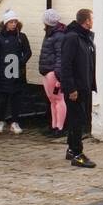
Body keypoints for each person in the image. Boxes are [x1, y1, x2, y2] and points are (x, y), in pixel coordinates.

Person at [60, 9, 97, 167]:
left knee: (78, 118)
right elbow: (66, 65)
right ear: (86, 21)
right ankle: (77, 153)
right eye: (91, 18)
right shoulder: (72, 37)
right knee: (77, 120)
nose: (93, 21)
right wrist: (71, 88)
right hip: (76, 88)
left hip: (85, 85)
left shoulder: (85, 37)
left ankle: (70, 149)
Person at [0, 10, 32, 135]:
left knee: (16, 98)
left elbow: (28, 52)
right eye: (11, 22)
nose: (13, 24)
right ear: (5, 23)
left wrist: (21, 62)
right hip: (3, 73)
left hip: (17, 73)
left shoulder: (21, 37)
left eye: (15, 22)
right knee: (3, 98)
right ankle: (0, 121)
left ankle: (15, 122)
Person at [38, 8, 68, 137]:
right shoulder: (51, 33)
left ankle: (60, 128)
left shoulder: (58, 35)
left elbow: (60, 56)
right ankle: (54, 125)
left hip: (53, 73)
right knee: (52, 100)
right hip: (46, 71)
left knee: (59, 99)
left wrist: (58, 75)